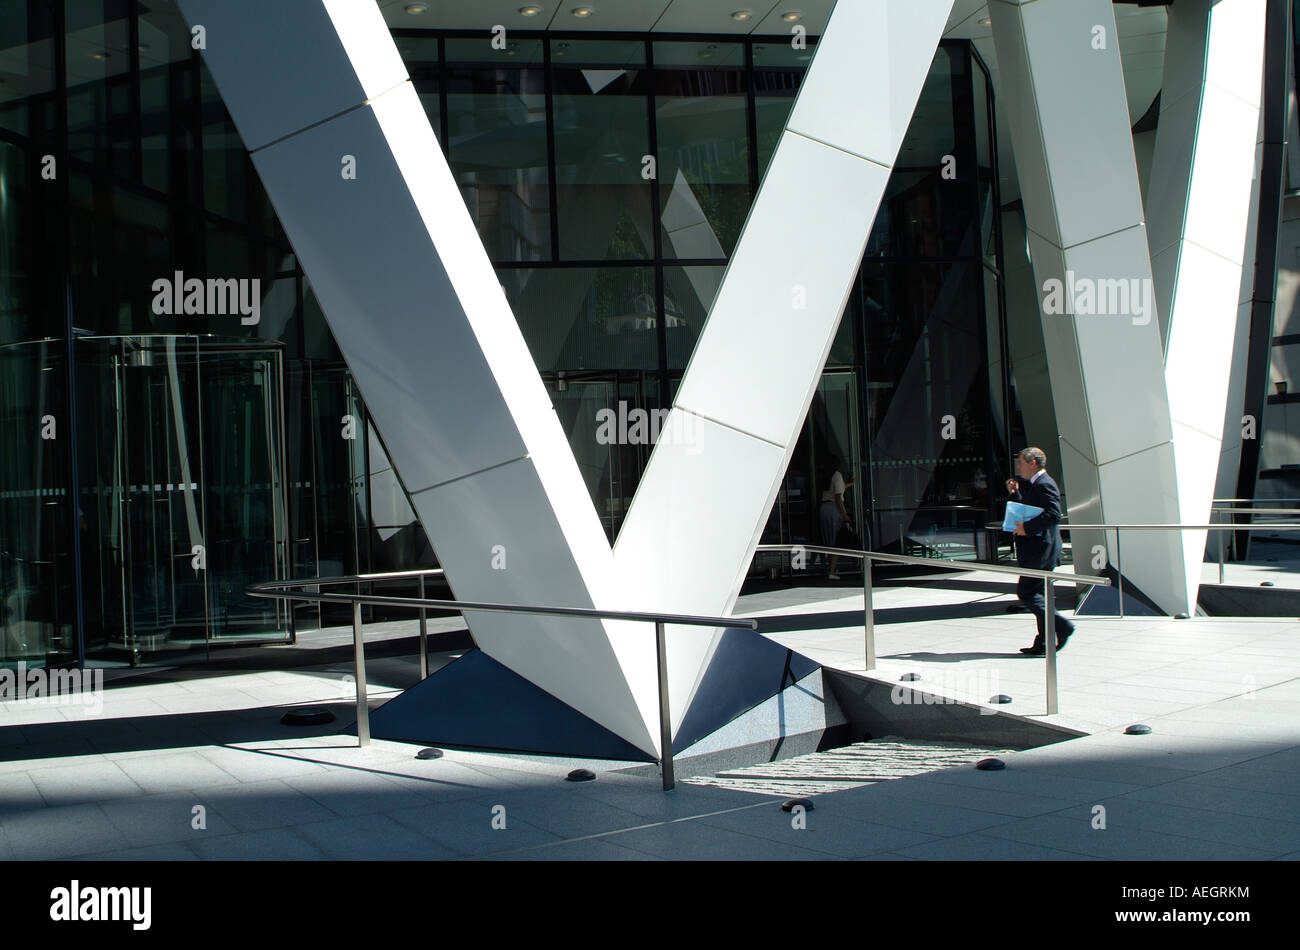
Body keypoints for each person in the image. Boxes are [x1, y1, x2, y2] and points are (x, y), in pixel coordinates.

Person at [1004, 446, 1074, 655]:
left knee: (1027, 593)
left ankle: (1062, 626)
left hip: (1041, 551)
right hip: (1037, 550)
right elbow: (1028, 511)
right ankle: (1044, 642)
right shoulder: (1035, 485)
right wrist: (1015, 494)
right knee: (1039, 596)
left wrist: (1027, 528)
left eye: (1021, 463)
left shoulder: (1044, 484)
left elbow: (1054, 514)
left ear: (1032, 463)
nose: (1019, 467)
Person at [819, 457, 854, 580]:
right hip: (834, 509)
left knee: (829, 540)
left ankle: (830, 568)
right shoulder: (837, 475)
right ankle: (832, 571)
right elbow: (838, 497)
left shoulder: (826, 475)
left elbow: (839, 488)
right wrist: (845, 515)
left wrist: (850, 484)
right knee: (836, 542)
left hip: (824, 508)